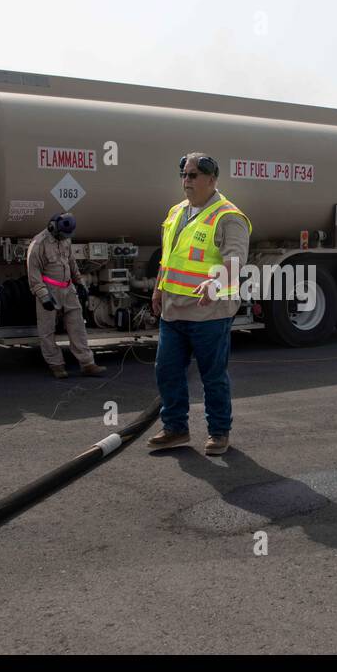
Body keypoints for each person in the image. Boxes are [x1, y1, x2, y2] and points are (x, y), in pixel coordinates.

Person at [147, 152, 251, 456]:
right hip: (174, 310)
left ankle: (219, 433)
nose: (186, 181)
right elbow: (168, 258)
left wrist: (216, 283)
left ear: (211, 179)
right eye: (183, 174)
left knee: (213, 377)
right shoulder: (177, 212)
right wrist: (158, 289)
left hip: (210, 313)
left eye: (193, 175)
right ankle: (175, 428)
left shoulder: (228, 216)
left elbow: (235, 260)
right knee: (166, 371)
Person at [27, 213, 106, 378]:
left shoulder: (65, 239)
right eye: (62, 234)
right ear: (52, 227)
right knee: (47, 330)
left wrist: (80, 284)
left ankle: (87, 364)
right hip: (49, 290)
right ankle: (56, 366)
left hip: (68, 289)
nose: (64, 238)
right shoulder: (38, 244)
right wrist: (44, 296)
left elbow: (72, 263)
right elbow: (33, 274)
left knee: (78, 327)